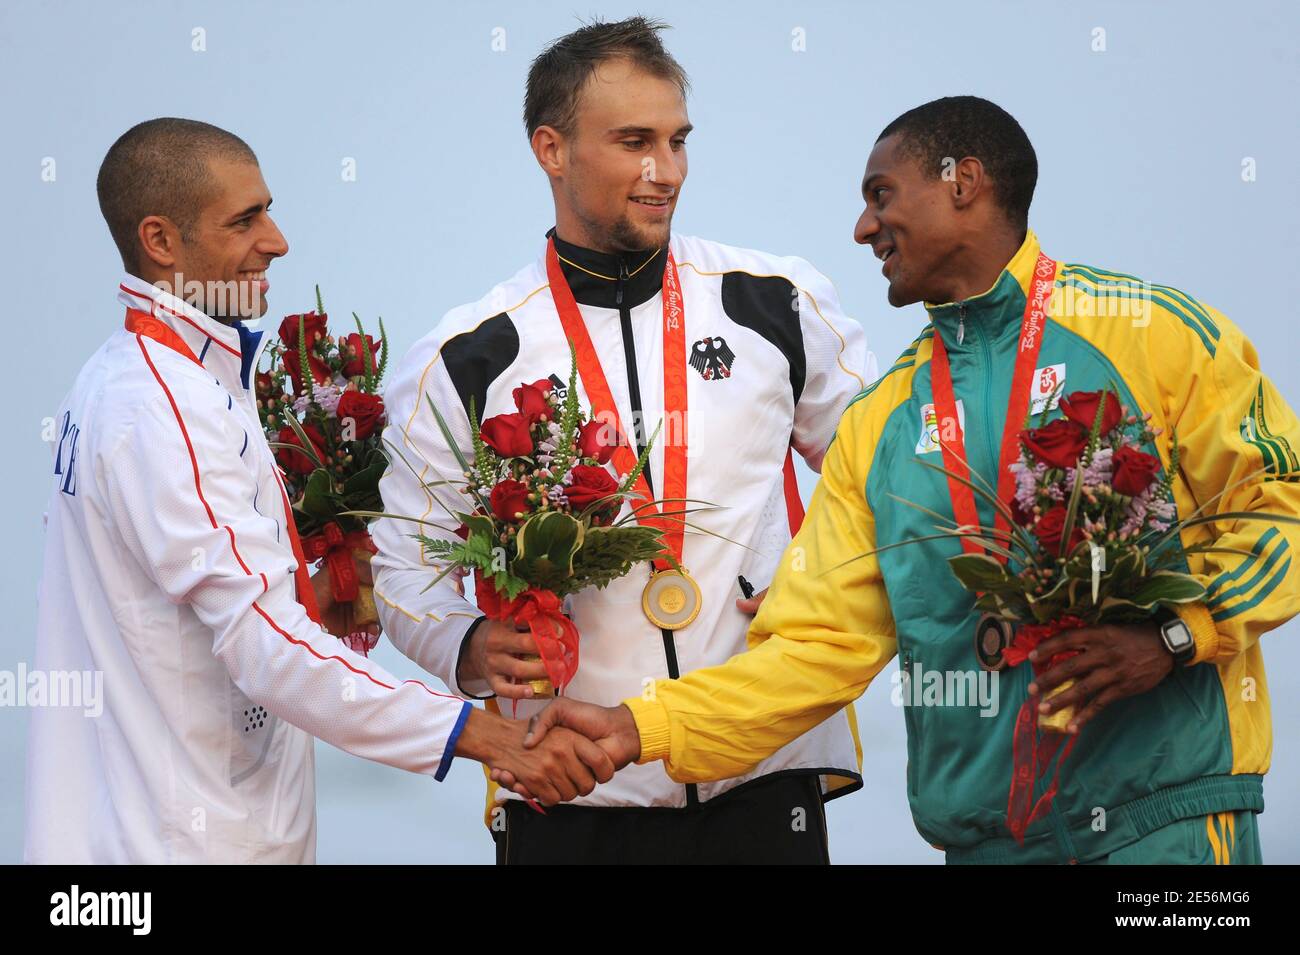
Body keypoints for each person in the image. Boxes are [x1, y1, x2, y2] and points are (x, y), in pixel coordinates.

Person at [522, 96, 1300, 865]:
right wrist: (640, 727)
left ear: (964, 182)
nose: (863, 227)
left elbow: (1282, 507)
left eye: (881, 194)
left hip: (1166, 825)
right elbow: (815, 649)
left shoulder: (1151, 331)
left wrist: (1174, 635)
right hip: (985, 846)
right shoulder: (880, 421)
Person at [25, 118, 612, 864]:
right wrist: (482, 734)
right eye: (245, 220)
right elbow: (262, 642)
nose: (277, 240)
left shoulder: (143, 378)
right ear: (161, 242)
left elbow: (184, 621)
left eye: (267, 209)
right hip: (176, 843)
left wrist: (321, 595)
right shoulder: (161, 407)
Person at [371, 17, 875, 864]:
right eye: (634, 141)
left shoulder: (776, 300)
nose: (665, 170)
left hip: (762, 777)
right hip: (567, 785)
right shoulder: (470, 352)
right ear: (550, 149)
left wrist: (814, 571)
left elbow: (883, 482)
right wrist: (466, 645)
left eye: (678, 141)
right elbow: (402, 567)